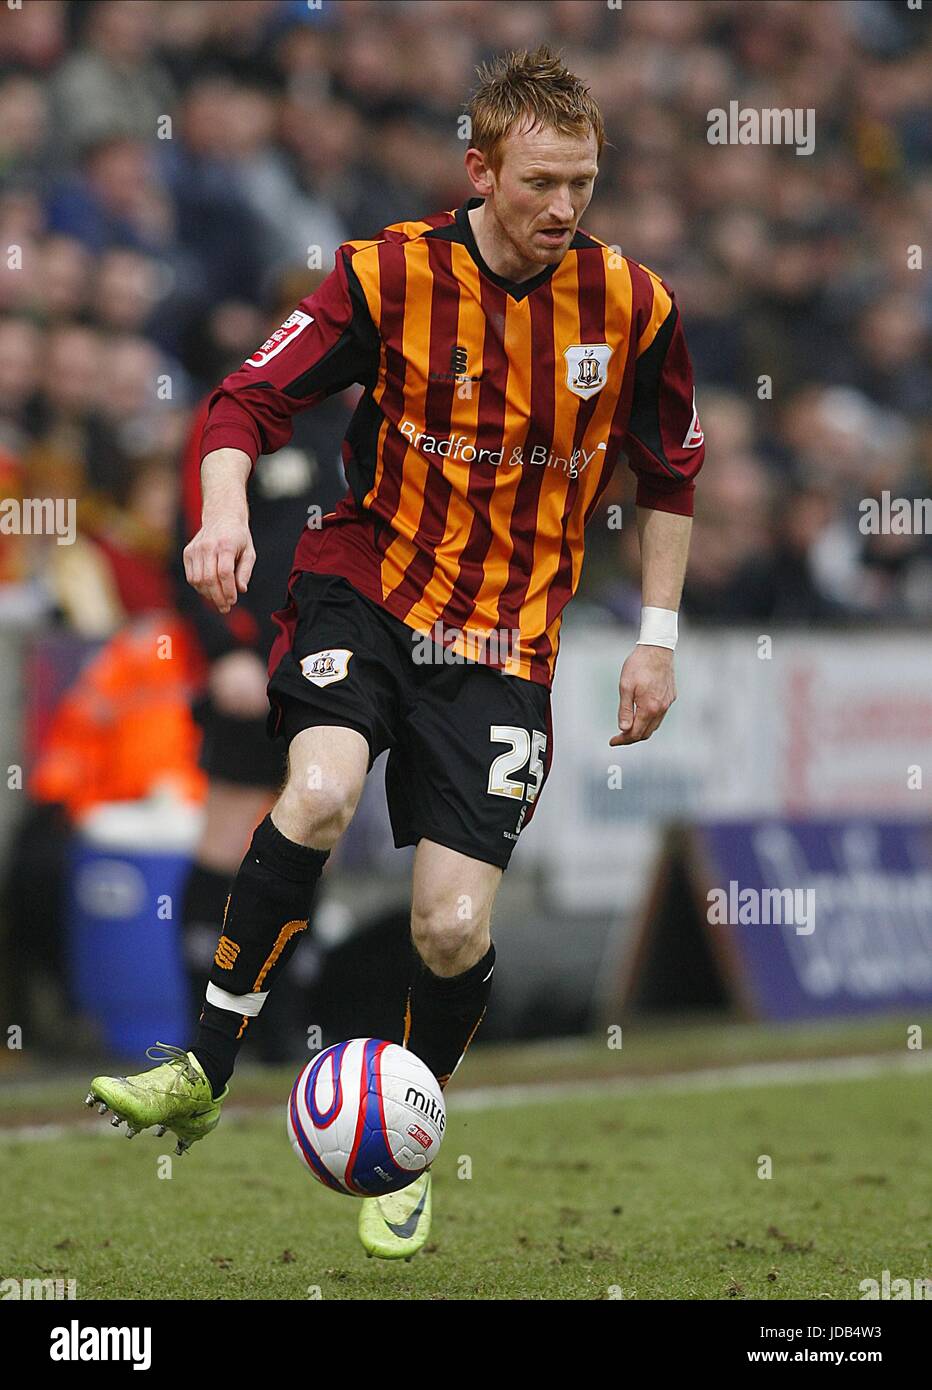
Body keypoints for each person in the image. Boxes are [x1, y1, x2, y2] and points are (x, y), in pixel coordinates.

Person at [86, 46, 705, 1261]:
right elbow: (240, 404)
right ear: (478, 170)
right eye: (539, 181)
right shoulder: (388, 274)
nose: (564, 206)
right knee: (315, 793)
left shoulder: (631, 306)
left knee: (449, 930)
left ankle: (403, 1143)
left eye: (582, 180)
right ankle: (203, 1070)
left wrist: (656, 641)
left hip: (505, 638)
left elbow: (671, 472)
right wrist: (221, 512)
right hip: (365, 588)